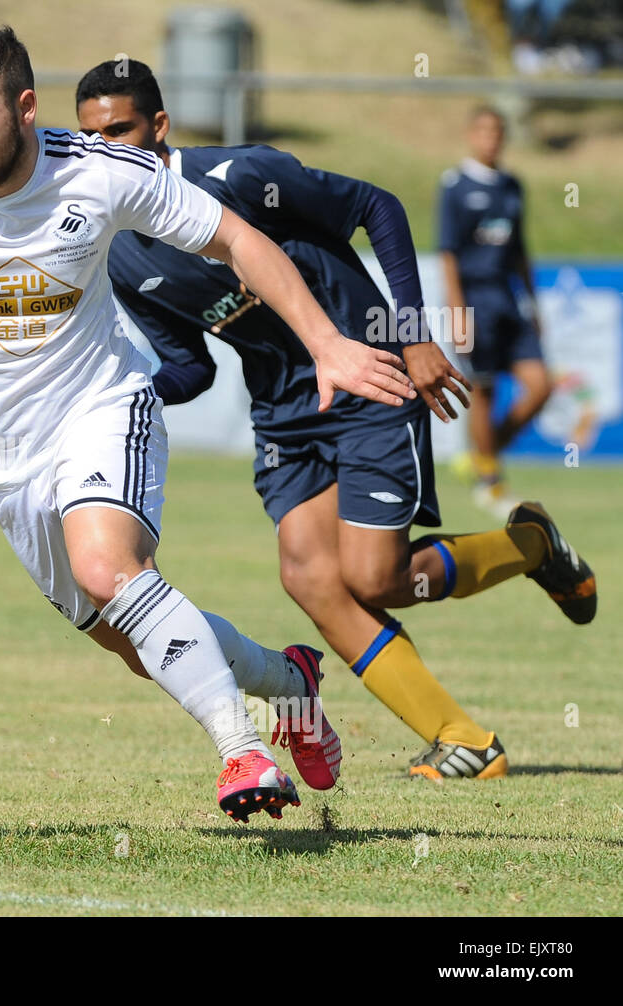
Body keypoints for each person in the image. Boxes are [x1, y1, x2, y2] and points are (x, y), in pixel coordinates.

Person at [0, 28, 424, 820]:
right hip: (3, 455)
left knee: (109, 570)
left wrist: (326, 341)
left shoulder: (99, 173)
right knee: (131, 639)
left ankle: (242, 753)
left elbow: (237, 237)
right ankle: (289, 681)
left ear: (24, 108)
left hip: (103, 405)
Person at [75, 59, 596, 780]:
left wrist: (411, 332)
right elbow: (190, 367)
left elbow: (376, 206)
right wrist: (114, 398)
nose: (105, 150)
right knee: (310, 578)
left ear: (159, 127)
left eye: (120, 131)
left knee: (375, 577)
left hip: (370, 382)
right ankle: (464, 740)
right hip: (286, 416)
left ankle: (531, 546)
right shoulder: (122, 257)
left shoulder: (240, 175)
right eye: (90, 138)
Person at [440, 105, 549, 516]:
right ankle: (490, 482)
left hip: (508, 298)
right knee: (482, 390)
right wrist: (457, 311)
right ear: (471, 135)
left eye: (499, 131)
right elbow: (448, 254)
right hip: (474, 299)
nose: (492, 138)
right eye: (484, 130)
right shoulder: (454, 185)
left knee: (540, 386)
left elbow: (520, 250)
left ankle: (482, 455)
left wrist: (534, 301)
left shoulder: (513, 186)